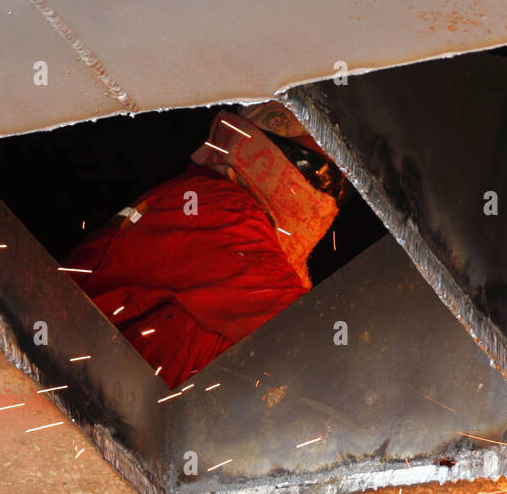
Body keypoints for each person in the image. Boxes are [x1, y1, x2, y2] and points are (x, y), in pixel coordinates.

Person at [66, 103, 345, 387]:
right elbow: (313, 341)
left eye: (338, 188)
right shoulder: (214, 207)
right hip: (62, 379)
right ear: (257, 143)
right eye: (316, 171)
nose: (327, 199)